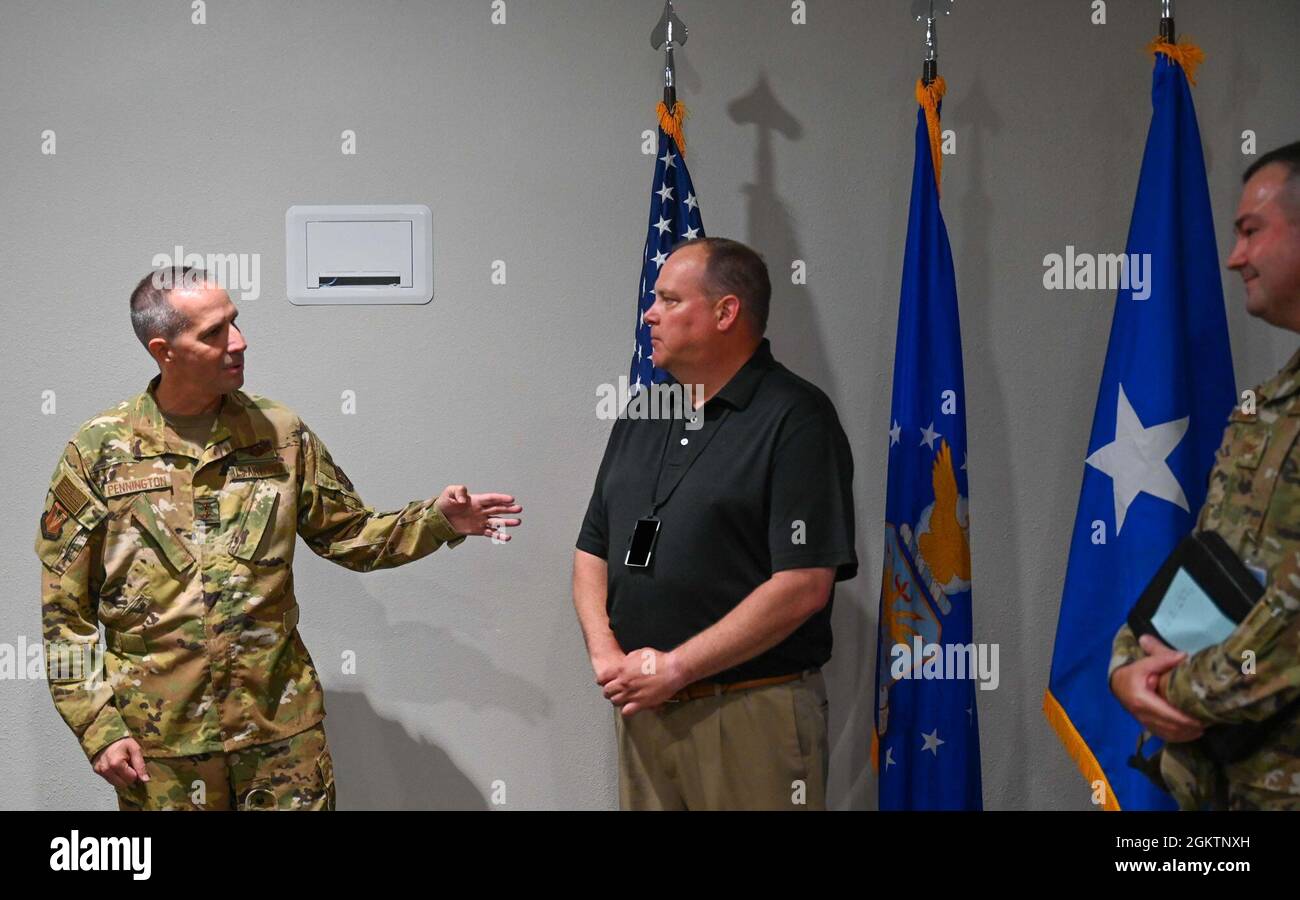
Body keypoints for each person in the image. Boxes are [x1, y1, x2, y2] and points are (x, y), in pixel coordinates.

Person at [37, 267, 522, 810]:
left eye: (236, 323)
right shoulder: (99, 451)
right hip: (163, 746)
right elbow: (65, 613)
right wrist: (97, 728)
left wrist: (438, 521)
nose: (238, 342)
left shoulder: (279, 434)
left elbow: (351, 535)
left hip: (280, 734)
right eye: (214, 332)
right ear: (164, 349)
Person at [573, 237, 857, 810]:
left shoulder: (796, 418)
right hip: (645, 711)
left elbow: (804, 584)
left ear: (727, 312)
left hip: (750, 710)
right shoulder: (642, 414)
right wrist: (607, 656)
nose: (649, 314)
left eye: (669, 300)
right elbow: (591, 551)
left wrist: (678, 667)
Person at [1110, 141, 1300, 810]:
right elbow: (1205, 560)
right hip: (1223, 788)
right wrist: (1129, 662)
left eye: (1252, 231)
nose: (1234, 257)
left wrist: (1172, 689)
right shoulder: (1269, 404)